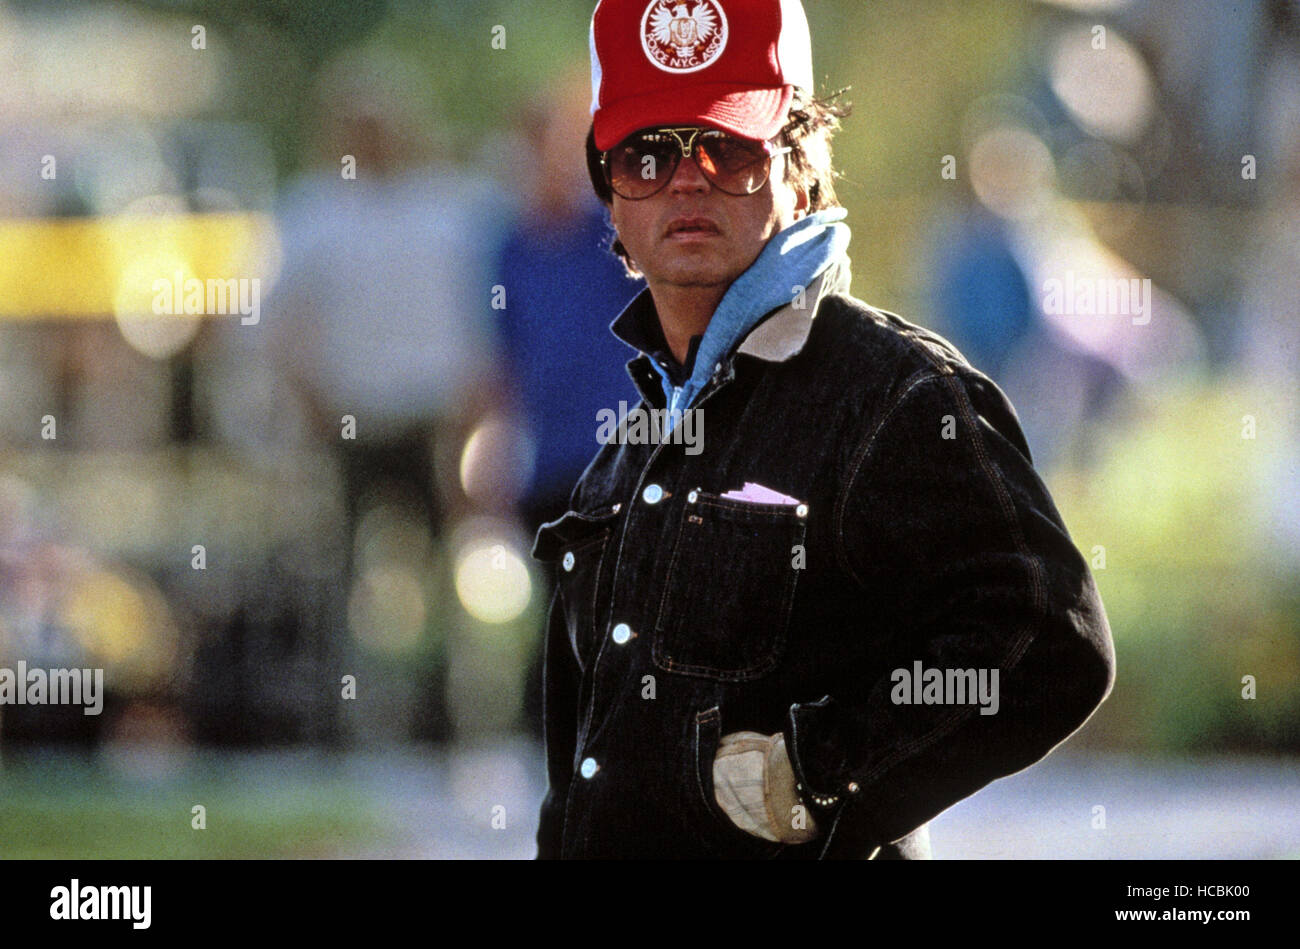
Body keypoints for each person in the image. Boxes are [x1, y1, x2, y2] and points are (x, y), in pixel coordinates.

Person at [531, 0, 1116, 860]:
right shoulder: (642, 424)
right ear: (609, 195)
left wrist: (821, 767)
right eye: (649, 153)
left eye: (727, 146)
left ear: (801, 168)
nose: (686, 180)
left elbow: (1048, 642)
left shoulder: (898, 396)